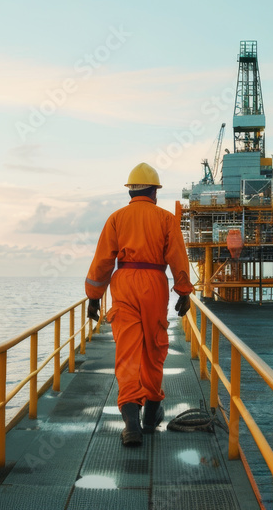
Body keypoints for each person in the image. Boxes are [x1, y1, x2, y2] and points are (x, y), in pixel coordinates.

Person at [85, 162, 193, 447]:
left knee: (128, 353)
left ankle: (131, 425)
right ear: (154, 192)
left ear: (130, 192)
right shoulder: (166, 219)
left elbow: (102, 261)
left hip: (124, 284)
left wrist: (94, 298)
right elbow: (178, 258)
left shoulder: (116, 219)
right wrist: (184, 292)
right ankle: (152, 412)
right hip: (155, 283)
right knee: (154, 348)